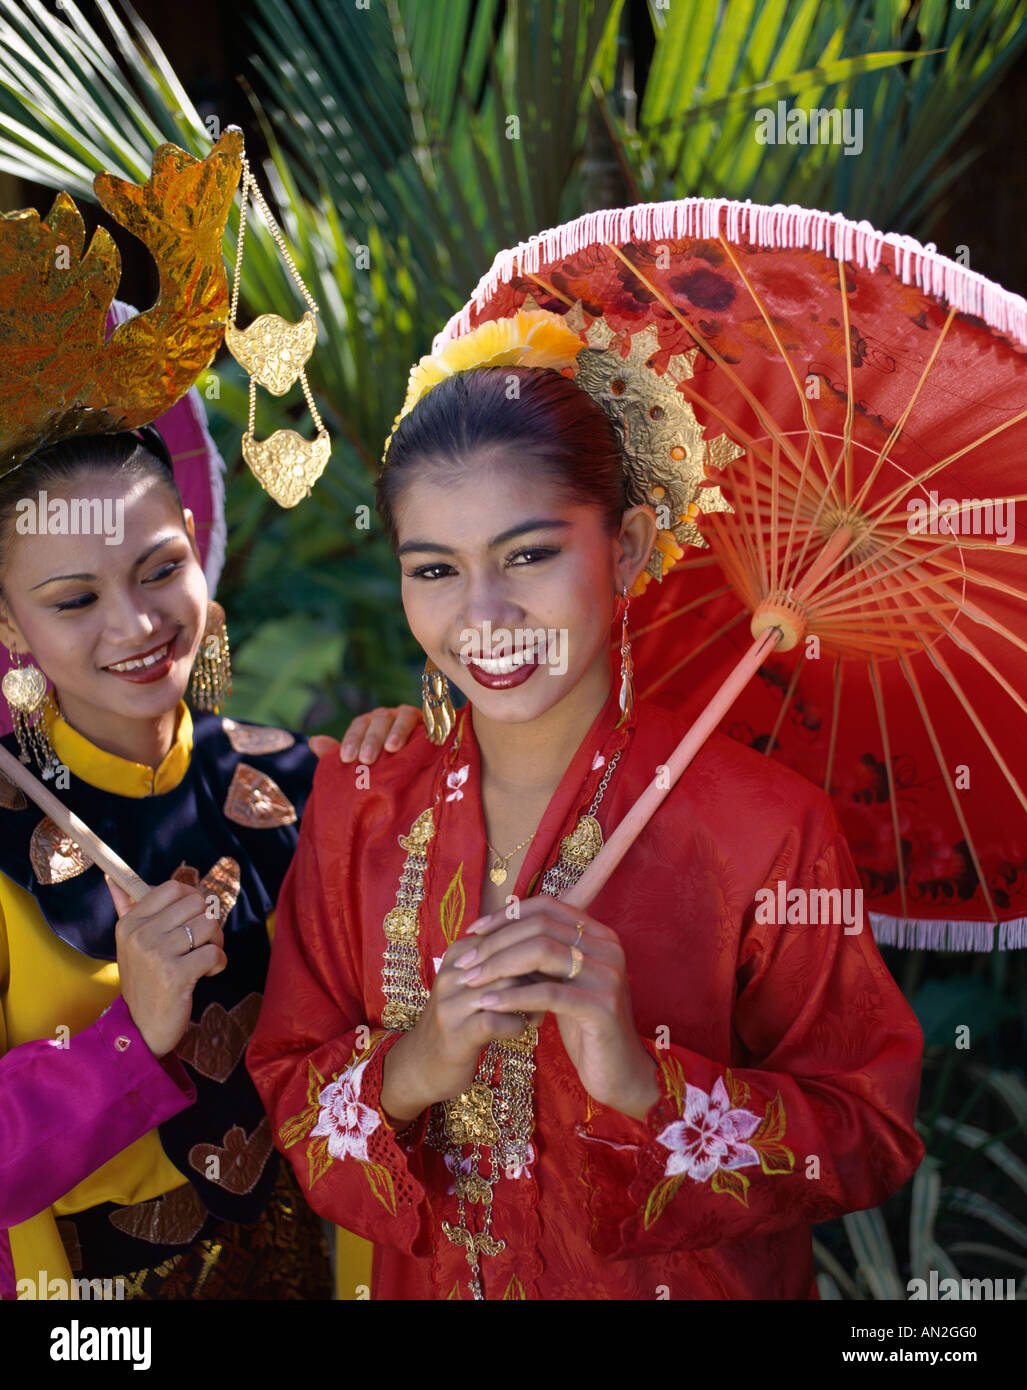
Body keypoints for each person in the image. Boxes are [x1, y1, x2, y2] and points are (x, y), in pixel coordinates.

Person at [248, 331, 926, 1300]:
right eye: (434, 569)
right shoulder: (361, 802)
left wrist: (642, 1081)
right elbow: (284, 1085)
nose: (483, 613)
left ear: (631, 546)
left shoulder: (765, 826)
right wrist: (415, 1065)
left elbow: (870, 1132)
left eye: (528, 554)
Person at [0, 428, 415, 1299]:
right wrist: (132, 1034)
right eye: (74, 600)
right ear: (7, 617)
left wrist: (413, 784)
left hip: (317, 1260)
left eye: (158, 569)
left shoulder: (302, 778)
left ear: (194, 536)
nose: (137, 625)